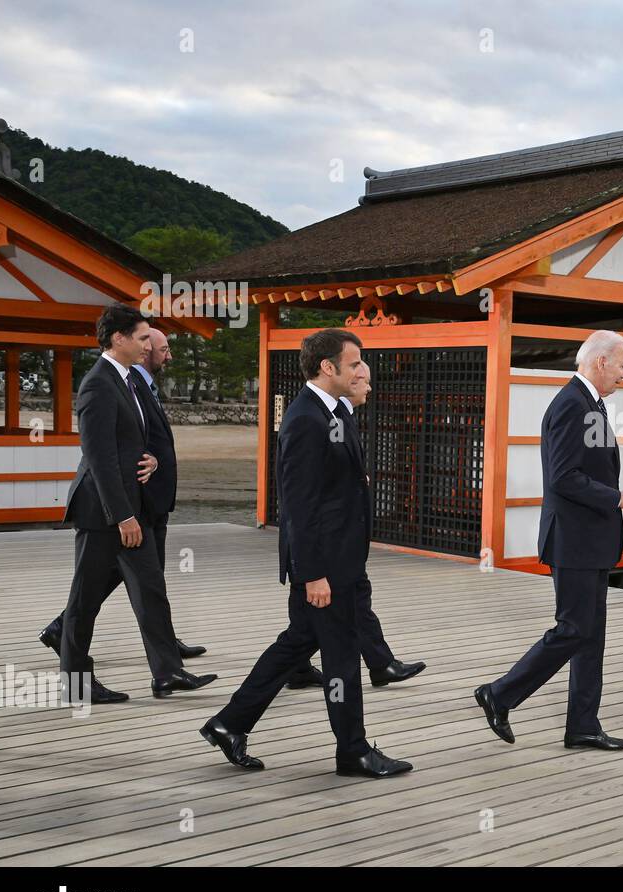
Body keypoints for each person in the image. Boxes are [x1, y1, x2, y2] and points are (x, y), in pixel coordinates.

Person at [200, 329, 411, 778]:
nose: (362, 371)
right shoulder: (305, 419)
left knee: (297, 644)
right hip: (324, 569)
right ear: (327, 367)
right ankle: (352, 751)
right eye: (354, 364)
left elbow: (331, 486)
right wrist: (313, 574)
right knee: (341, 659)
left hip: (342, 561)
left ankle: (229, 723)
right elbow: (297, 506)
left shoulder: (336, 412)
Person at [474, 330, 623, 750]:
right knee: (574, 629)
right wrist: (617, 498)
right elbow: (563, 478)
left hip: (590, 540)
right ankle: (499, 693)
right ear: (601, 362)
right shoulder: (572, 405)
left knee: (591, 635)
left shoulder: (589, 403)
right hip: (574, 540)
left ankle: (583, 725)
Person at [57, 305, 216, 703]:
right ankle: (76, 684)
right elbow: (99, 458)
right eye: (143, 337)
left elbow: (139, 439)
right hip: (103, 512)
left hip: (132, 506)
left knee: (151, 589)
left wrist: (154, 460)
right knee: (85, 600)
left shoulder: (128, 380)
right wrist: (123, 515)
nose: (148, 345)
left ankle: (167, 672)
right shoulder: (98, 384)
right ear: (118, 339)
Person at [283, 361, 426, 691]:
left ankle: (375, 663)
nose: (369, 388)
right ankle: (376, 664)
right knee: (323, 611)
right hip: (326, 538)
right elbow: (306, 489)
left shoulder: (336, 412)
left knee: (339, 603)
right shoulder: (317, 415)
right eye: (364, 381)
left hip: (337, 537)